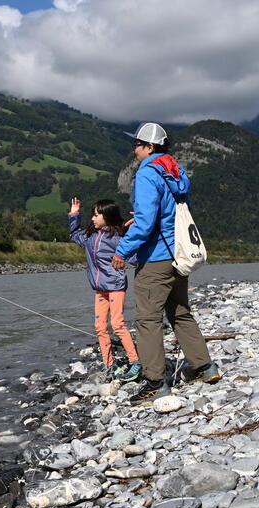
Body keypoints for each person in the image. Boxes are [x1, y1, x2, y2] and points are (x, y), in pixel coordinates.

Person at [112, 122, 220, 404]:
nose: (133, 149)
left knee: (148, 320)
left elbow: (147, 224)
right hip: (178, 255)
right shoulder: (175, 171)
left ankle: (155, 382)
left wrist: (122, 251)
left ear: (149, 147)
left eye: (137, 144)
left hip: (155, 259)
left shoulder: (147, 174)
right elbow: (167, 214)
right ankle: (204, 367)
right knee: (180, 312)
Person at [68, 197, 142, 382]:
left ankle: (135, 362)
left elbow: (134, 258)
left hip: (116, 287)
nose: (92, 219)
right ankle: (109, 364)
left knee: (117, 324)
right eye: (92, 215)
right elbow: (74, 234)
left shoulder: (117, 239)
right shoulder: (90, 237)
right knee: (100, 327)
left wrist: (134, 230)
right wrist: (74, 213)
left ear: (107, 216)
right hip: (100, 289)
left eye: (96, 215)